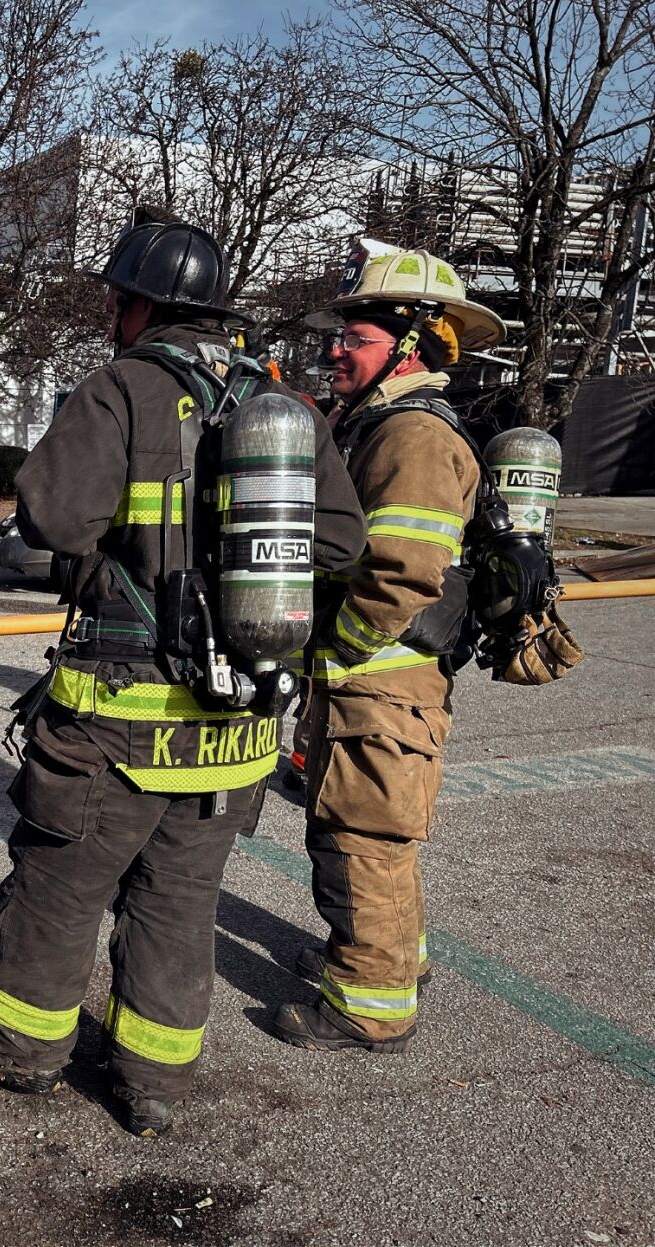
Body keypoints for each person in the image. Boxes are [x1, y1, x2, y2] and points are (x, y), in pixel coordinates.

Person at [0, 217, 365, 1136]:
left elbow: (53, 520)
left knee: (61, 887)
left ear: (139, 305)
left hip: (118, 718)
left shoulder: (122, 387)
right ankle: (154, 1081)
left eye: (116, 299)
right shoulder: (279, 404)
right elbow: (340, 541)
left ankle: (23, 1052)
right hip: (238, 726)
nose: (110, 313)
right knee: (180, 901)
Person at [273, 248, 504, 1053]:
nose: (336, 349)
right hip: (372, 682)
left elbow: (401, 573)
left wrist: (332, 651)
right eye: (337, 336)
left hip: (379, 680)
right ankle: (392, 958)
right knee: (373, 835)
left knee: (361, 840)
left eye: (356, 338)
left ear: (411, 345)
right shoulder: (378, 422)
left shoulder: (413, 436)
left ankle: (369, 1004)